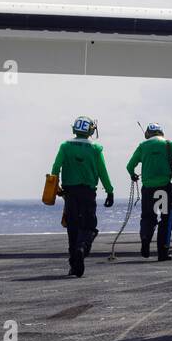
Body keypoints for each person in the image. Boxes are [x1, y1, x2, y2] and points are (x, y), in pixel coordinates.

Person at [51, 116, 114, 277]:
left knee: (72, 226)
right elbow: (102, 172)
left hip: (70, 193)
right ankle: (82, 248)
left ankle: (74, 264)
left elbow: (56, 167)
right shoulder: (96, 149)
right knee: (89, 226)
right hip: (88, 192)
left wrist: (54, 186)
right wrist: (109, 191)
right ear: (90, 130)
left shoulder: (65, 146)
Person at [127, 122, 172, 261]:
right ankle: (162, 252)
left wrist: (133, 174)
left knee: (148, 217)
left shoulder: (143, 146)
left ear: (148, 133)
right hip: (164, 188)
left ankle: (145, 238)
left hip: (148, 189)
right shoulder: (167, 144)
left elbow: (130, 166)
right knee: (165, 219)